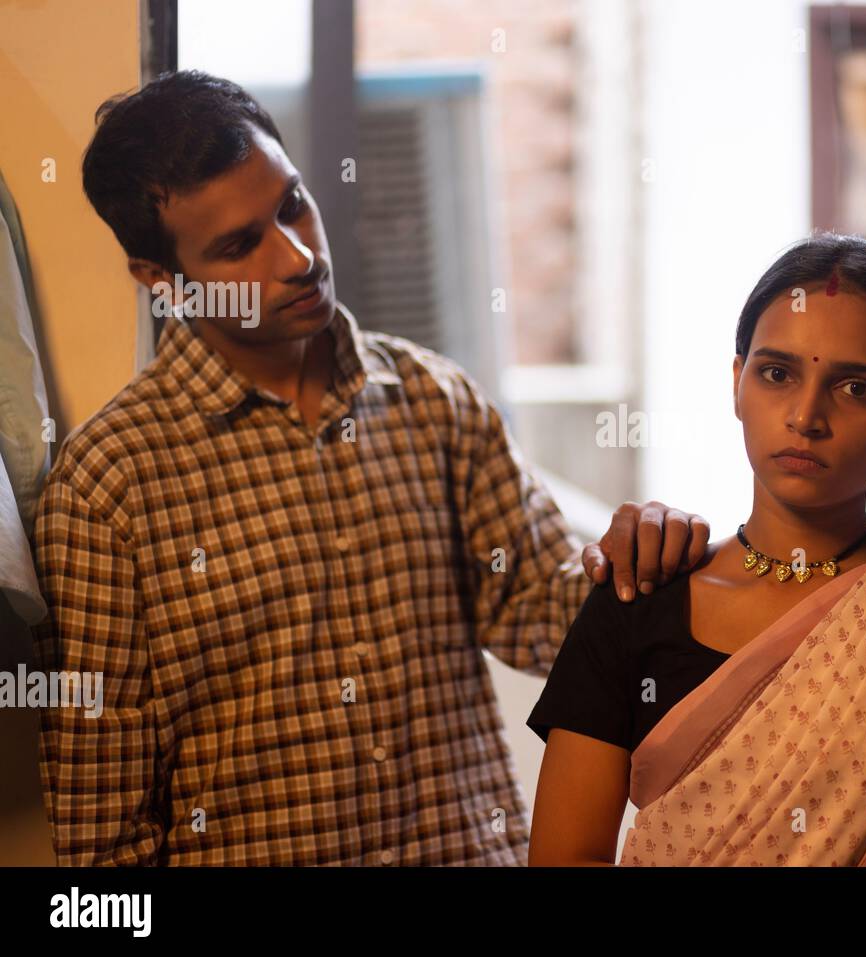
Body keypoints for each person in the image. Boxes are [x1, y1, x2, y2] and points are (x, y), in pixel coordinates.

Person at [31, 70, 709, 866]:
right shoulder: (107, 487)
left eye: (292, 205)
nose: (295, 256)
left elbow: (543, 614)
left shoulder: (433, 399)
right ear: (162, 283)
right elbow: (102, 830)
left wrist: (640, 563)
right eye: (239, 245)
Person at [527, 233, 866, 866]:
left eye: (855, 388)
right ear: (738, 383)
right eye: (776, 373)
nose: (806, 415)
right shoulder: (638, 592)